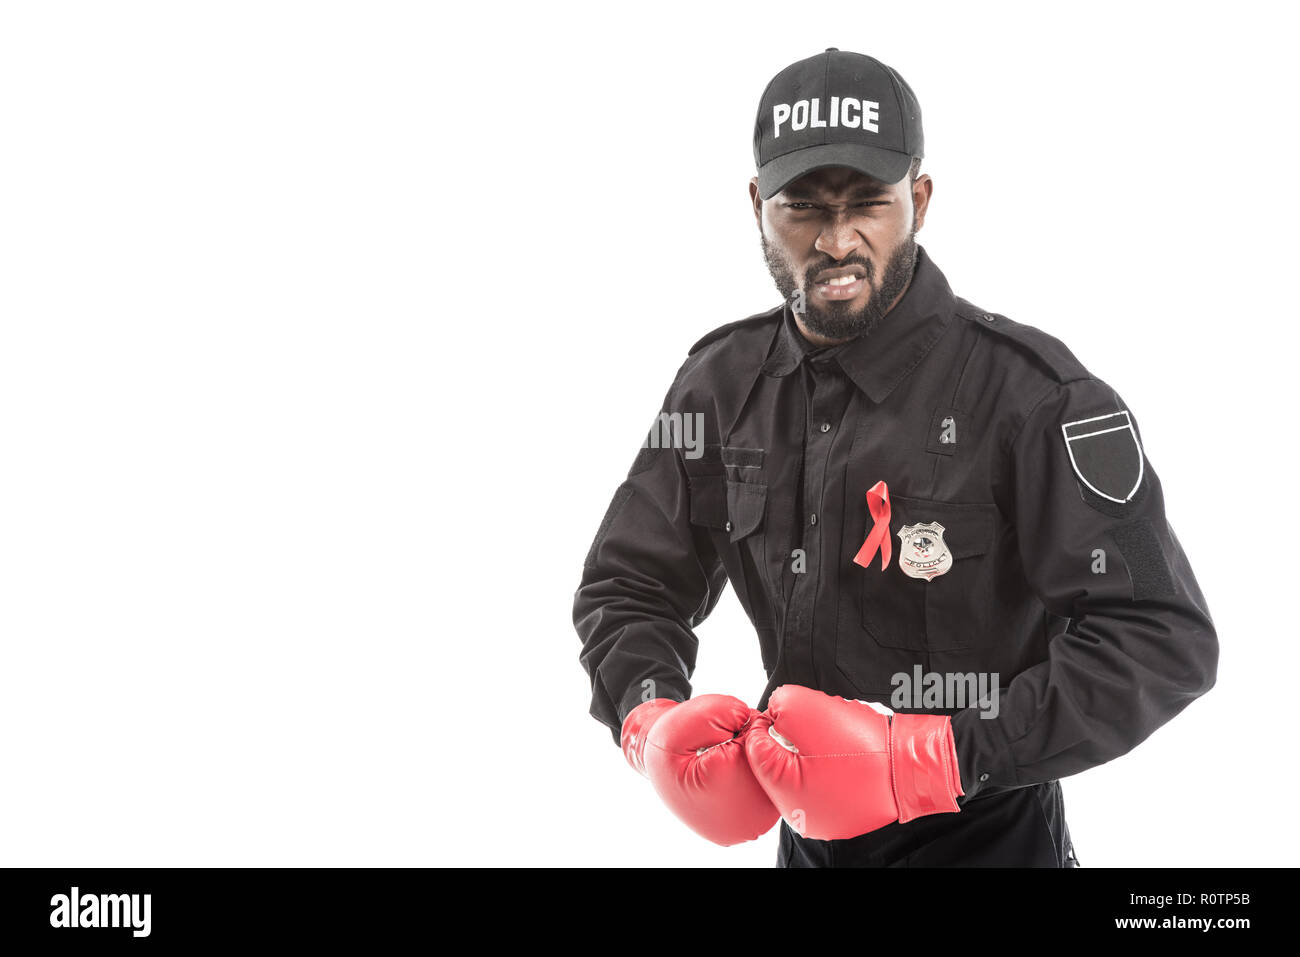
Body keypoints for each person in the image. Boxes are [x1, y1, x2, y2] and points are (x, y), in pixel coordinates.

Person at [571, 48, 1218, 867]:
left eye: (867, 204)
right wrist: (649, 716)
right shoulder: (715, 386)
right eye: (802, 206)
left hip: (995, 846)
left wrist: (932, 758)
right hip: (804, 851)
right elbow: (628, 583)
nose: (836, 242)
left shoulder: (1042, 399)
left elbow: (1164, 637)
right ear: (756, 206)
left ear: (917, 199)